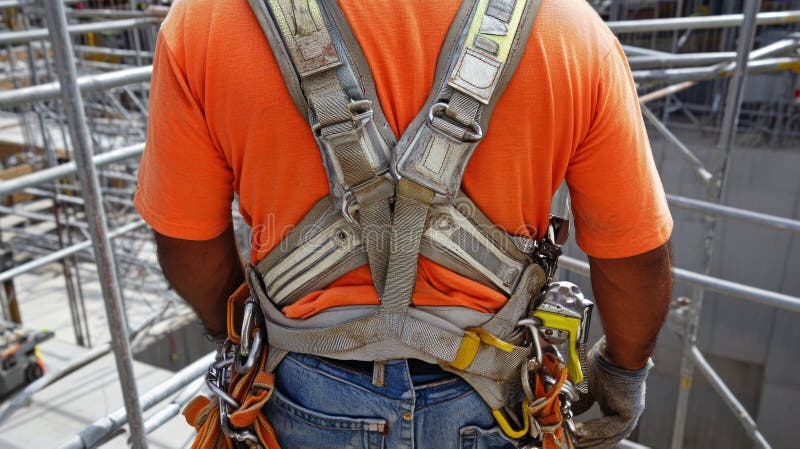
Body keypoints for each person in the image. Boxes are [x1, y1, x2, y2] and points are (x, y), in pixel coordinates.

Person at [135, 0, 673, 448]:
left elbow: (188, 244)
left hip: (298, 394)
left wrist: (241, 336)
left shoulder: (205, 23)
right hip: (490, 401)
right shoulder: (572, 31)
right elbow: (633, 257)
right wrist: (622, 381)